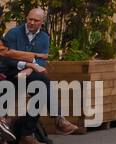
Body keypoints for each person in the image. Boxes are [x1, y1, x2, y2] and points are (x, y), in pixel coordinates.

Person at [1, 7, 76, 137]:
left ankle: (28, 133)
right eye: (30, 19)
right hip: (10, 74)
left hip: (28, 76)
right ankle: (54, 120)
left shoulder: (44, 37)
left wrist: (30, 69)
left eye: (36, 20)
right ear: (26, 19)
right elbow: (6, 57)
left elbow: (41, 61)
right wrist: (28, 65)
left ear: (42, 22)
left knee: (41, 88)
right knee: (42, 82)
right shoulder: (14, 33)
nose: (32, 22)